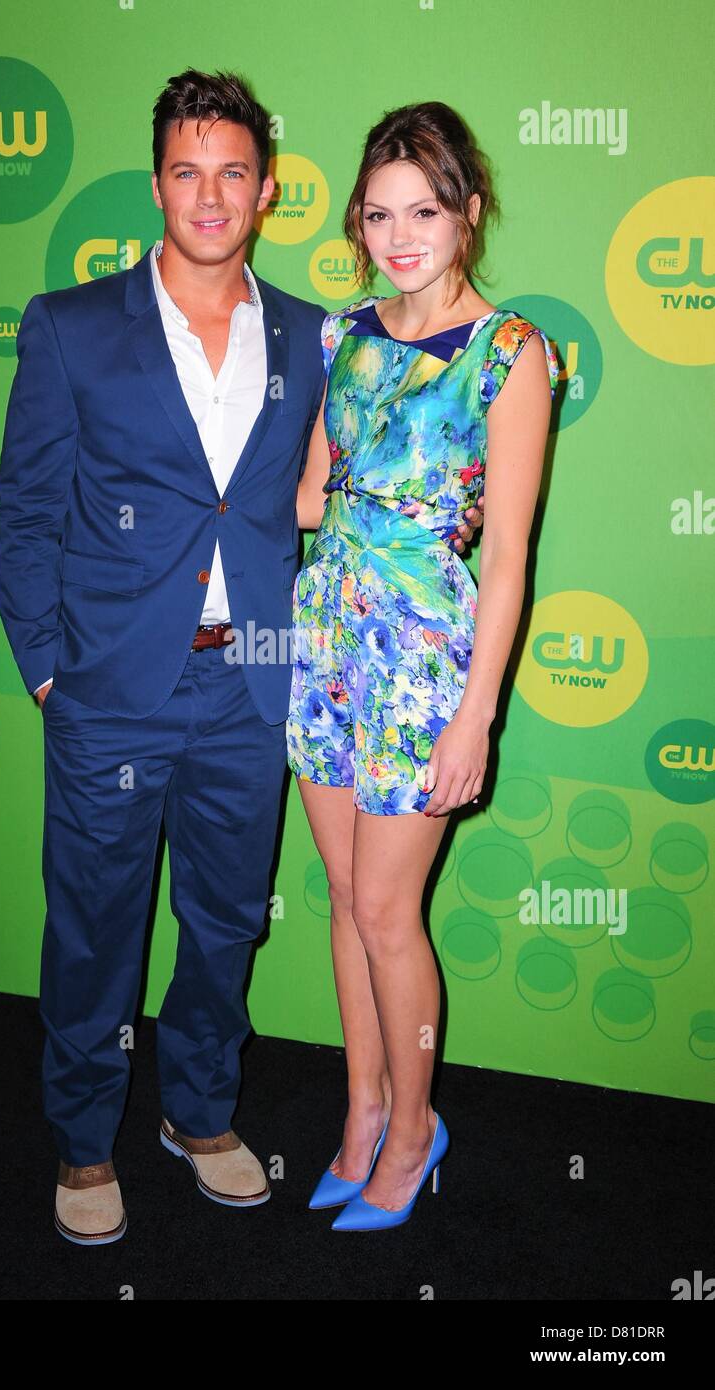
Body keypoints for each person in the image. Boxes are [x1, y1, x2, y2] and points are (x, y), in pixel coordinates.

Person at [0, 70, 484, 1247]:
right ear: (157, 182)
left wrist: (432, 513)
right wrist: (49, 671)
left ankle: (201, 1117)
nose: (208, 196)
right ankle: (81, 1140)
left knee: (225, 922)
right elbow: (24, 513)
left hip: (255, 681)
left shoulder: (318, 338)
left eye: (231, 174)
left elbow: (351, 478)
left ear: (264, 192)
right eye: (184, 171)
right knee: (95, 926)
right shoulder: (70, 327)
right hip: (107, 688)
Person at [288, 102, 559, 1230]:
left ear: (468, 213)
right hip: (326, 638)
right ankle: (360, 1113)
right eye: (380, 212)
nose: (401, 235)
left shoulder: (512, 354)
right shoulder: (342, 335)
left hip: (420, 657)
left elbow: (507, 565)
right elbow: (308, 496)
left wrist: (475, 715)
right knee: (345, 899)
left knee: (392, 912)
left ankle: (414, 1130)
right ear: (358, 220)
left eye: (426, 211)